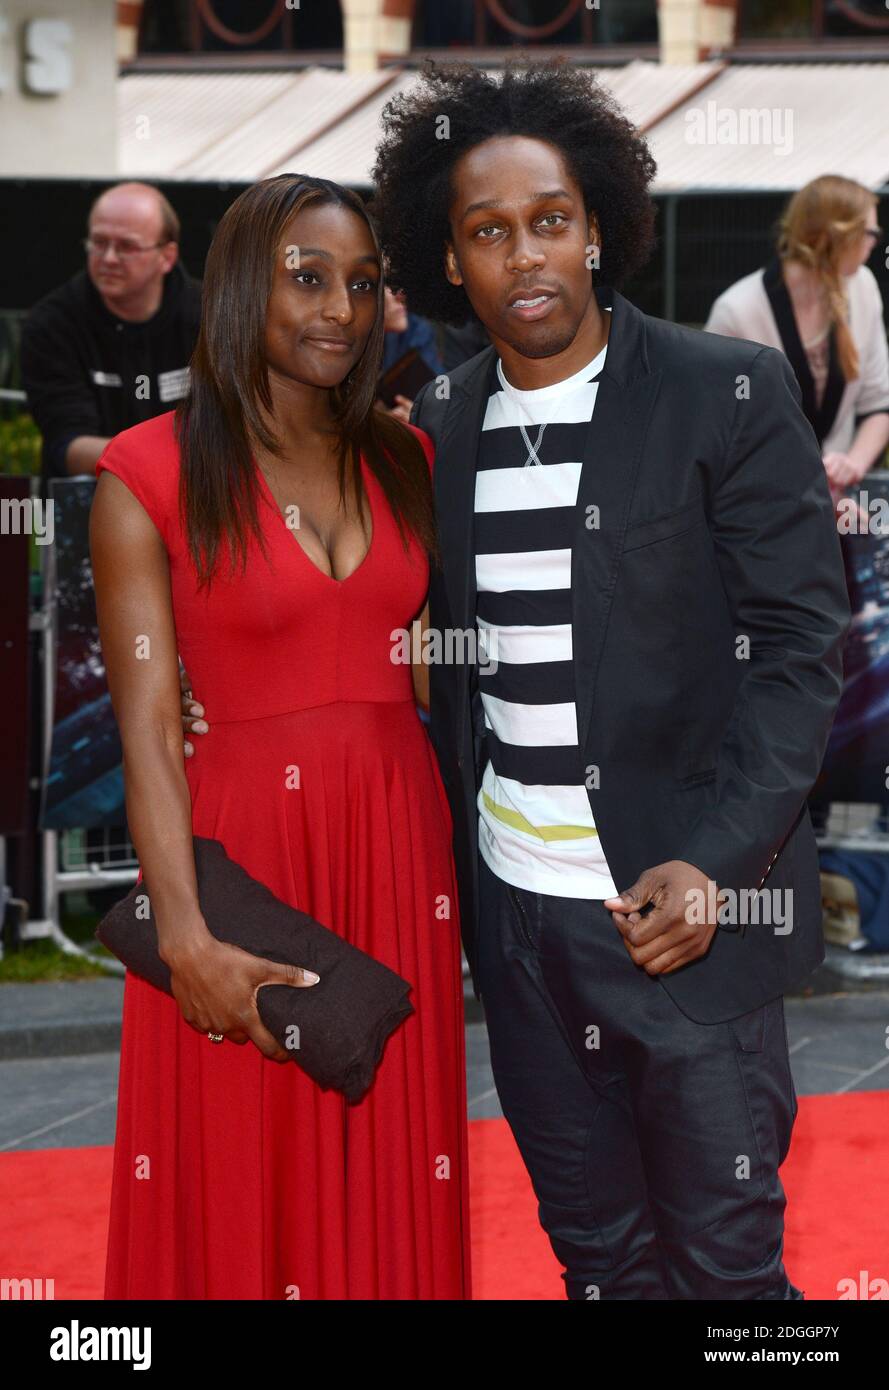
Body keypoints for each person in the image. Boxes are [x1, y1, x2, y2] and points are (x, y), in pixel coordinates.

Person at [369, 58, 851, 1299]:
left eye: (550, 221)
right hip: (520, 924)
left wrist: (715, 856)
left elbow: (802, 652)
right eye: (488, 231)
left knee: (729, 1270)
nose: (524, 255)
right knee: (598, 1260)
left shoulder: (724, 394)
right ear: (450, 259)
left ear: (597, 231)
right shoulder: (438, 425)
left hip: (684, 914)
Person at [91, 173, 470, 1300]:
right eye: (307, 278)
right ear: (243, 286)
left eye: (362, 285)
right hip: (239, 861)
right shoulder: (145, 472)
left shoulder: (410, 461)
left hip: (399, 852)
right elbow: (150, 732)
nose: (339, 311)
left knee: (393, 1159)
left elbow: (437, 674)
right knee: (236, 1163)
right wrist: (188, 939)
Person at [704, 175, 889, 506]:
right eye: (871, 232)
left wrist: (850, 467)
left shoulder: (863, 287)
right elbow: (716, 437)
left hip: (838, 503)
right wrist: (816, 490)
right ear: (839, 235)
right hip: (759, 509)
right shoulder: (737, 311)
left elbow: (879, 405)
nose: (875, 242)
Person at [21, 181, 201, 487]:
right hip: (90, 502)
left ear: (167, 256)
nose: (109, 259)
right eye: (99, 242)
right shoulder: (51, 325)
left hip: (198, 502)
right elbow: (68, 445)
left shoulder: (215, 317)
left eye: (127, 246)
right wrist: (164, 462)